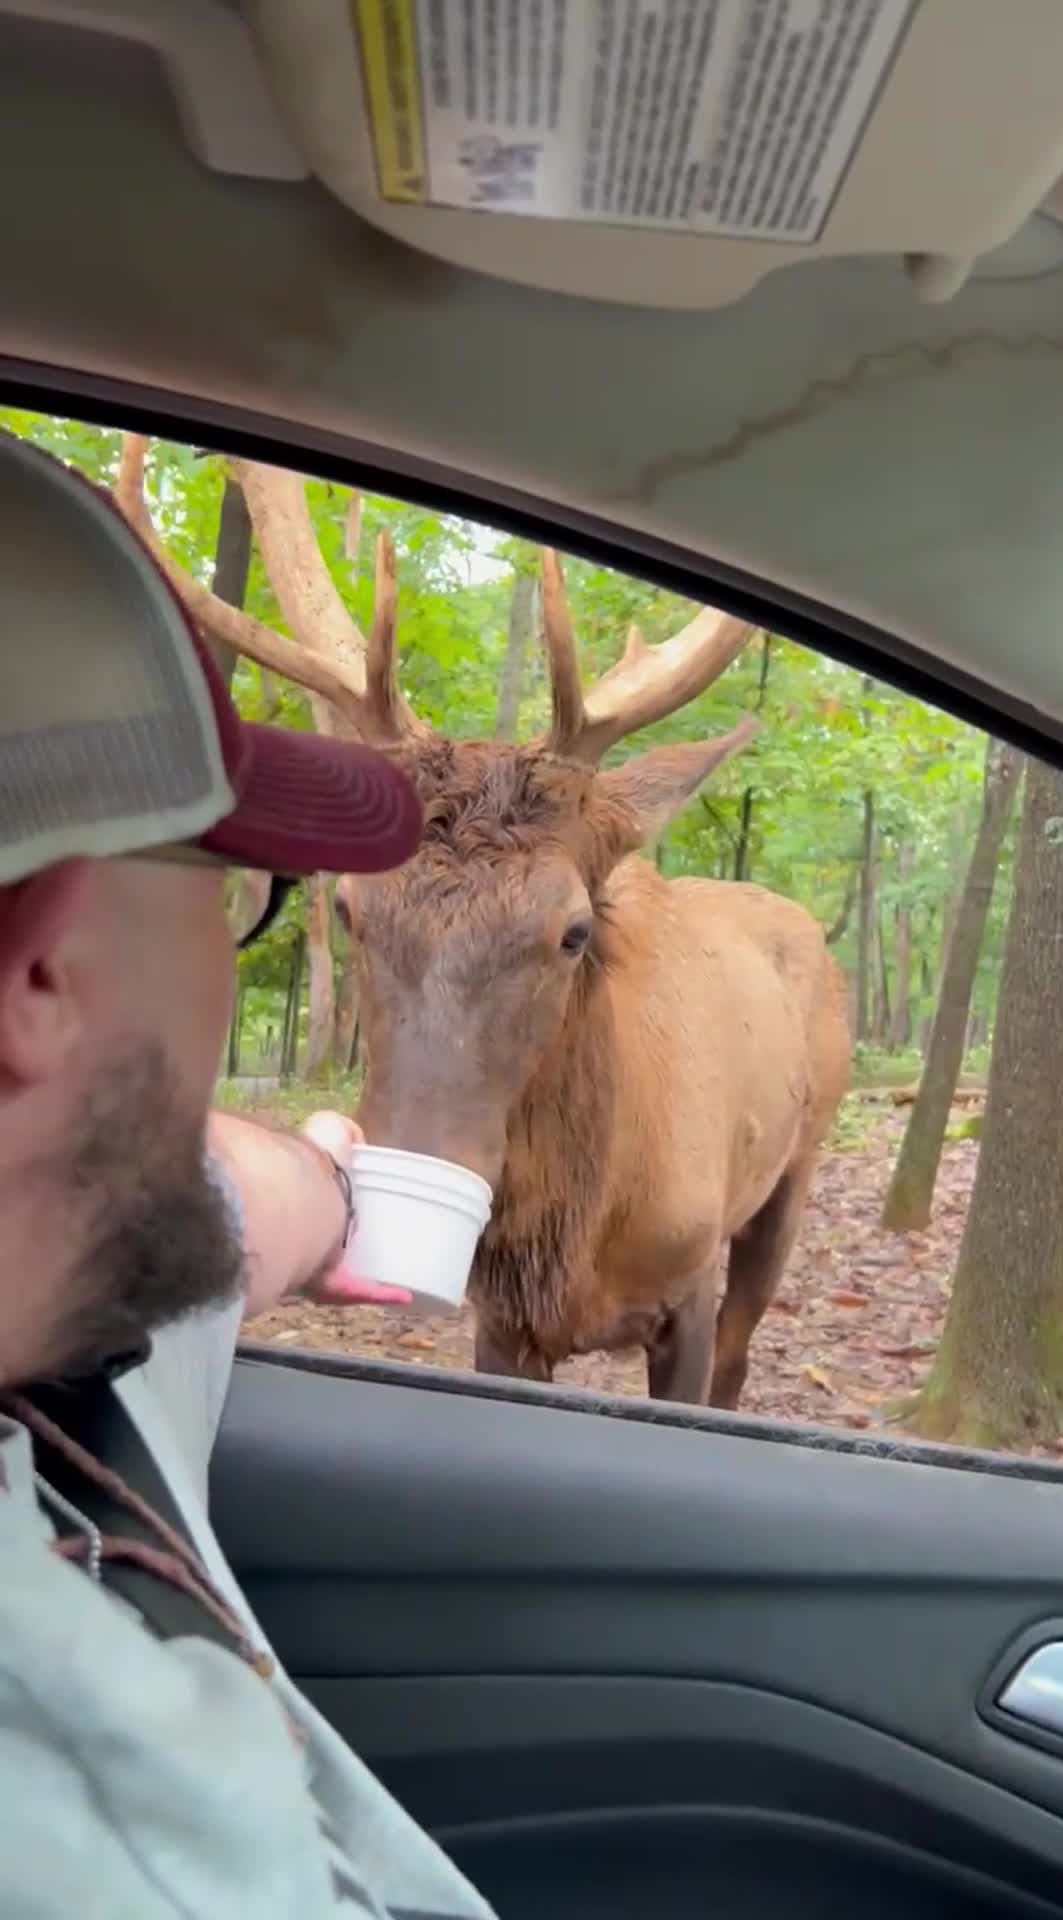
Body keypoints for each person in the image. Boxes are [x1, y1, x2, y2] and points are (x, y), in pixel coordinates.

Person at [0, 433, 497, 1917]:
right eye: (244, 893)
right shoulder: (114, 1836)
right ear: (40, 965)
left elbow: (220, 1187)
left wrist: (337, 1184)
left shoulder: (58, 1261)